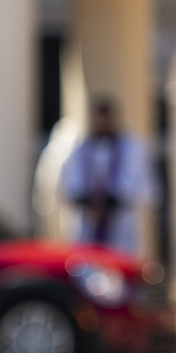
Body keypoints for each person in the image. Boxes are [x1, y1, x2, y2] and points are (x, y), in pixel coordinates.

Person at [58, 98, 155, 254]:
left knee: (121, 256)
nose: (102, 124)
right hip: (88, 221)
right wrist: (90, 202)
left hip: (120, 222)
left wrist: (109, 203)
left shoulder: (131, 148)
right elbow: (71, 185)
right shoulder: (81, 149)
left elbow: (136, 186)